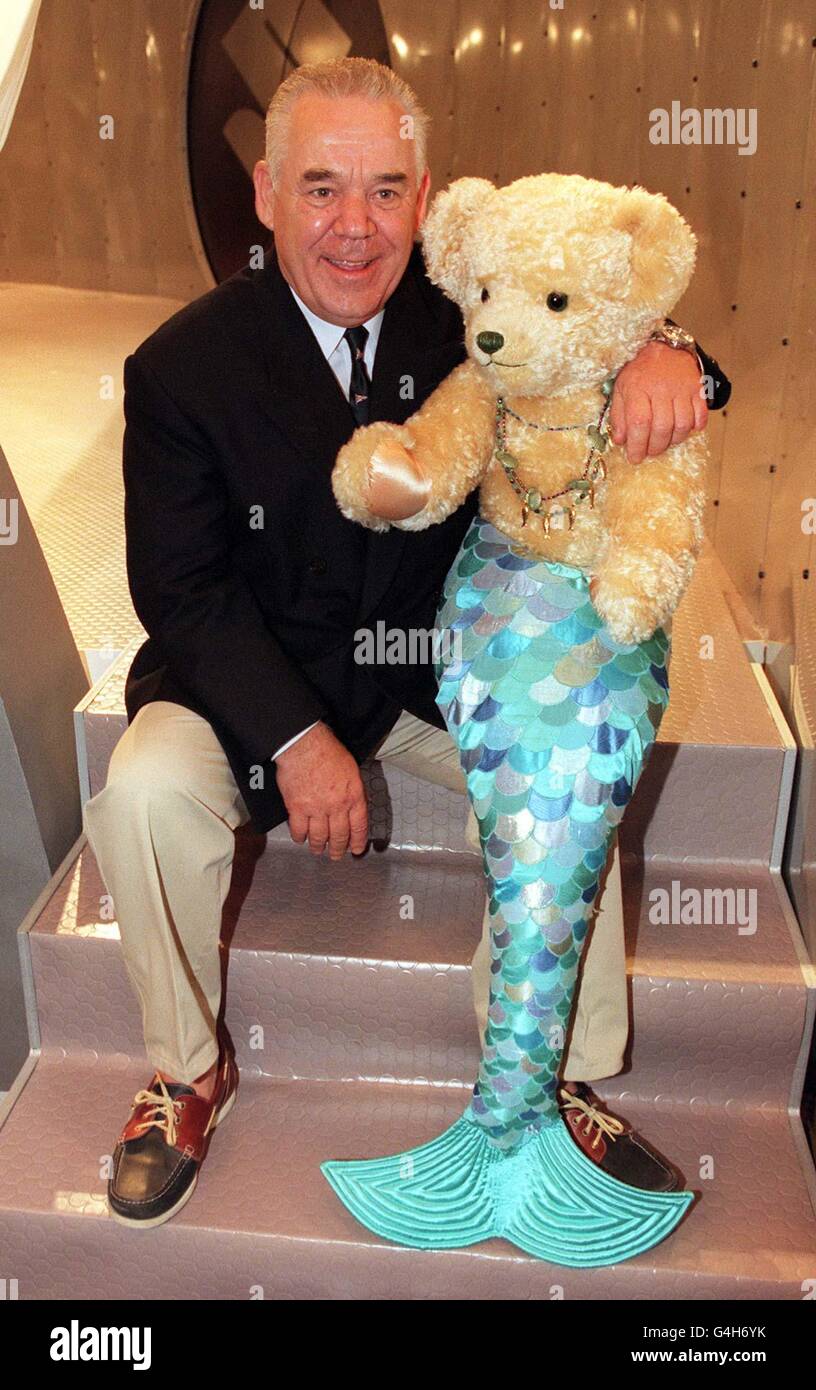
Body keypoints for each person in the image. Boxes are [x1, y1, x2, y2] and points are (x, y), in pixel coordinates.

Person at [82, 56, 730, 1229]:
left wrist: (666, 347)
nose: (353, 226)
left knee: (571, 777)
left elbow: (592, 306)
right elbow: (182, 593)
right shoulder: (182, 366)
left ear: (425, 200)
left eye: (386, 190)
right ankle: (188, 1069)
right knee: (140, 794)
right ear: (268, 193)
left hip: (426, 676)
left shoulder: (474, 317)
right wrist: (295, 738)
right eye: (322, 188)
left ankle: (550, 1076)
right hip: (246, 691)